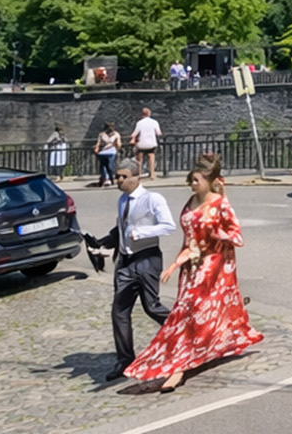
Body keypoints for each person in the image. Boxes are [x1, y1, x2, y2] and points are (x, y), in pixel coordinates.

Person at [124, 154, 263, 391]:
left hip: (214, 268)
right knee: (186, 313)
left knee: (194, 314)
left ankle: (179, 367)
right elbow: (188, 242)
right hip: (192, 269)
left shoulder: (220, 204)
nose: (192, 185)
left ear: (209, 180)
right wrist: (174, 265)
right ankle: (183, 358)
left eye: (196, 180)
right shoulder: (190, 203)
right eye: (191, 180)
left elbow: (237, 236)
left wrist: (217, 233)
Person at [91, 158, 176, 381]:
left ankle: (182, 331)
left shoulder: (152, 198)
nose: (119, 180)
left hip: (147, 259)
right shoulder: (122, 200)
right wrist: (103, 243)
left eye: (123, 176)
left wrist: (141, 233)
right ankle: (125, 359)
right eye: (117, 176)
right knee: (119, 311)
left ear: (136, 177)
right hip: (126, 263)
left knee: (152, 307)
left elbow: (169, 225)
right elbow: (121, 227)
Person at [131, 108, 163, 180]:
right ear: (149, 114)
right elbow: (159, 133)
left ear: (142, 114)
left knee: (140, 158)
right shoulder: (154, 122)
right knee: (151, 157)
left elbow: (134, 134)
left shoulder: (139, 123)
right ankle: (152, 174)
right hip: (151, 144)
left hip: (141, 144)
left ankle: (139, 173)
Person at [95, 122, 122, 187]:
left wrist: (96, 149)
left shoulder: (101, 134)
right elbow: (119, 144)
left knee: (103, 165)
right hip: (111, 151)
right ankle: (111, 177)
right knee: (110, 164)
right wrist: (116, 145)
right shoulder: (116, 134)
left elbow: (98, 144)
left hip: (103, 152)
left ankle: (106, 178)